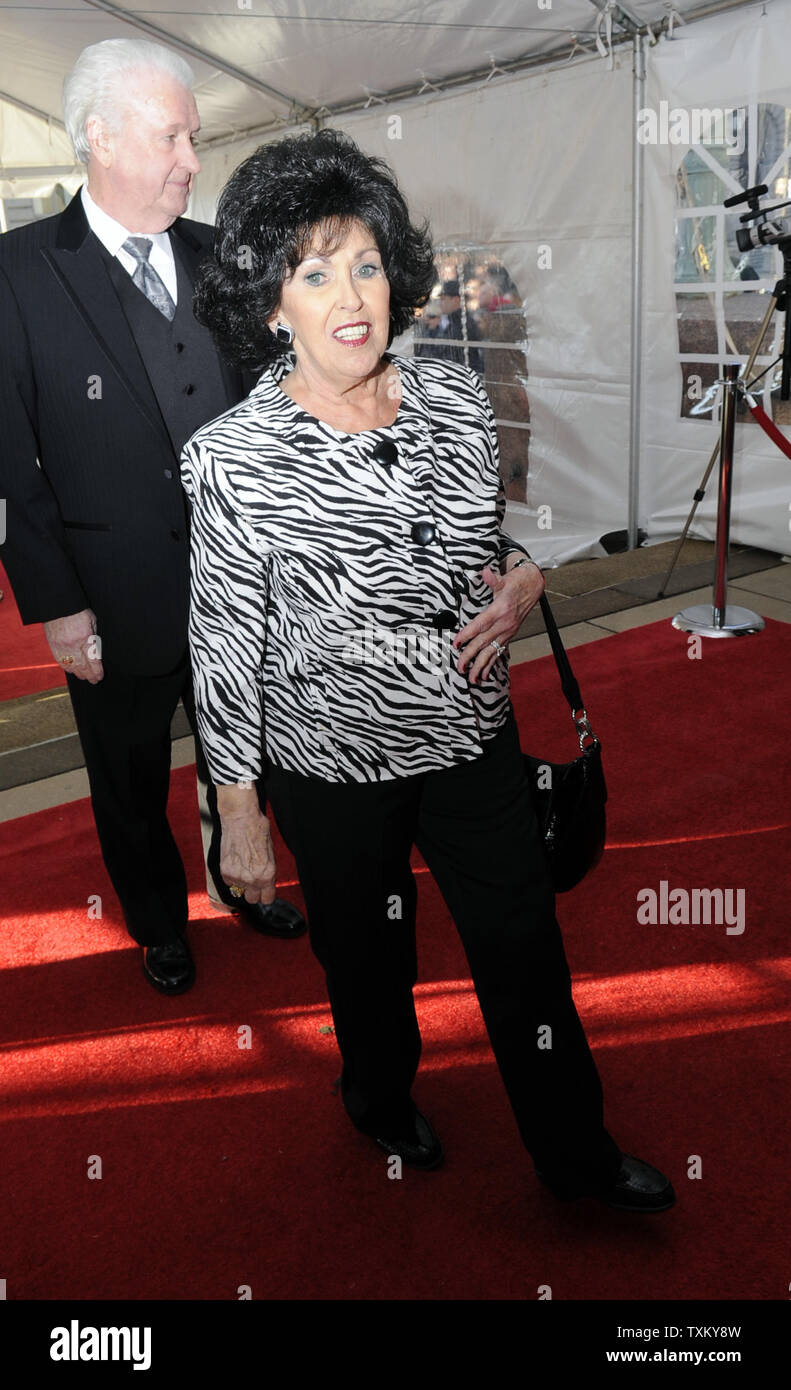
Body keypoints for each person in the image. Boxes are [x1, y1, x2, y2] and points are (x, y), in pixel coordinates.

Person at [181, 129, 674, 1212]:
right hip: (333, 763)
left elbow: (475, 550)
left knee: (523, 946)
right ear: (271, 305)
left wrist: (519, 579)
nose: (347, 294)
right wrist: (238, 811)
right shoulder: (232, 456)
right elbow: (223, 637)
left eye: (362, 262)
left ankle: (574, 1154)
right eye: (311, 273)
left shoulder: (453, 403)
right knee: (368, 964)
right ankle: (376, 1093)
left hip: (467, 736)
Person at [0, 39, 306, 996]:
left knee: (244, 749)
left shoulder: (222, 255)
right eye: (170, 135)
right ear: (98, 136)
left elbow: (279, 412)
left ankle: (242, 878)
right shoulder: (17, 270)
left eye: (194, 137)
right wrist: (56, 601)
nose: (190, 158)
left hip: (246, 584)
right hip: (111, 593)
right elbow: (8, 459)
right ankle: (156, 920)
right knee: (127, 778)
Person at [414, 277, 484, 375]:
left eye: (443, 299)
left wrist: (434, 330)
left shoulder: (463, 323)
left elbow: (445, 353)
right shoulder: (451, 320)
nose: (440, 303)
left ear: (455, 300)